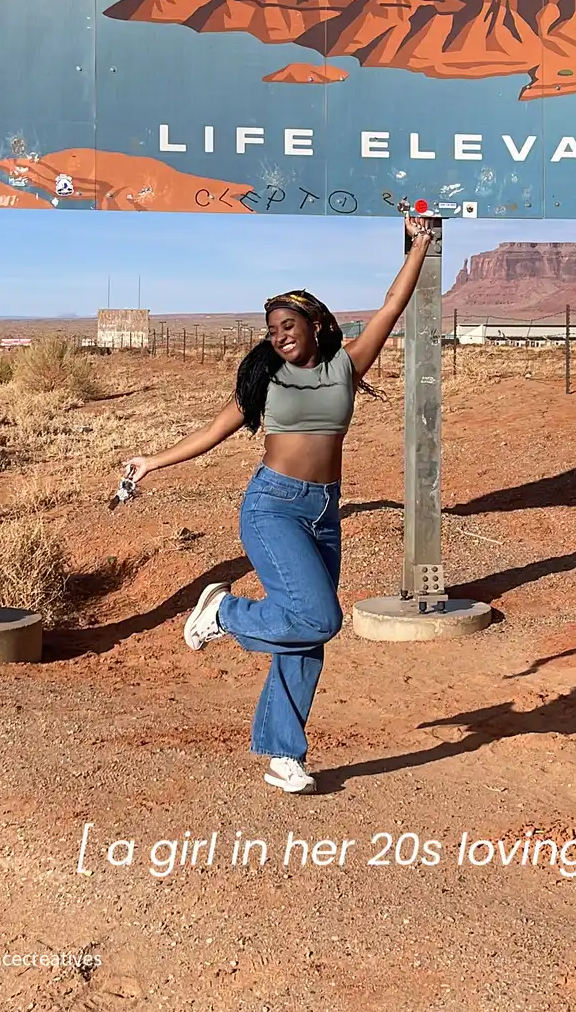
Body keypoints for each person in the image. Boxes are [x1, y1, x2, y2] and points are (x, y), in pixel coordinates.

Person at [124, 215, 436, 794]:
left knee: (307, 632)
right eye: (271, 329)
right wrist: (153, 462)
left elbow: (393, 304)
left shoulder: (347, 364)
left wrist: (420, 244)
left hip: (324, 510)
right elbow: (213, 431)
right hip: (273, 507)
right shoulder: (265, 382)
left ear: (316, 325)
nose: (278, 335)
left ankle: (283, 754)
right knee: (320, 617)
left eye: (287, 325)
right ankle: (224, 613)